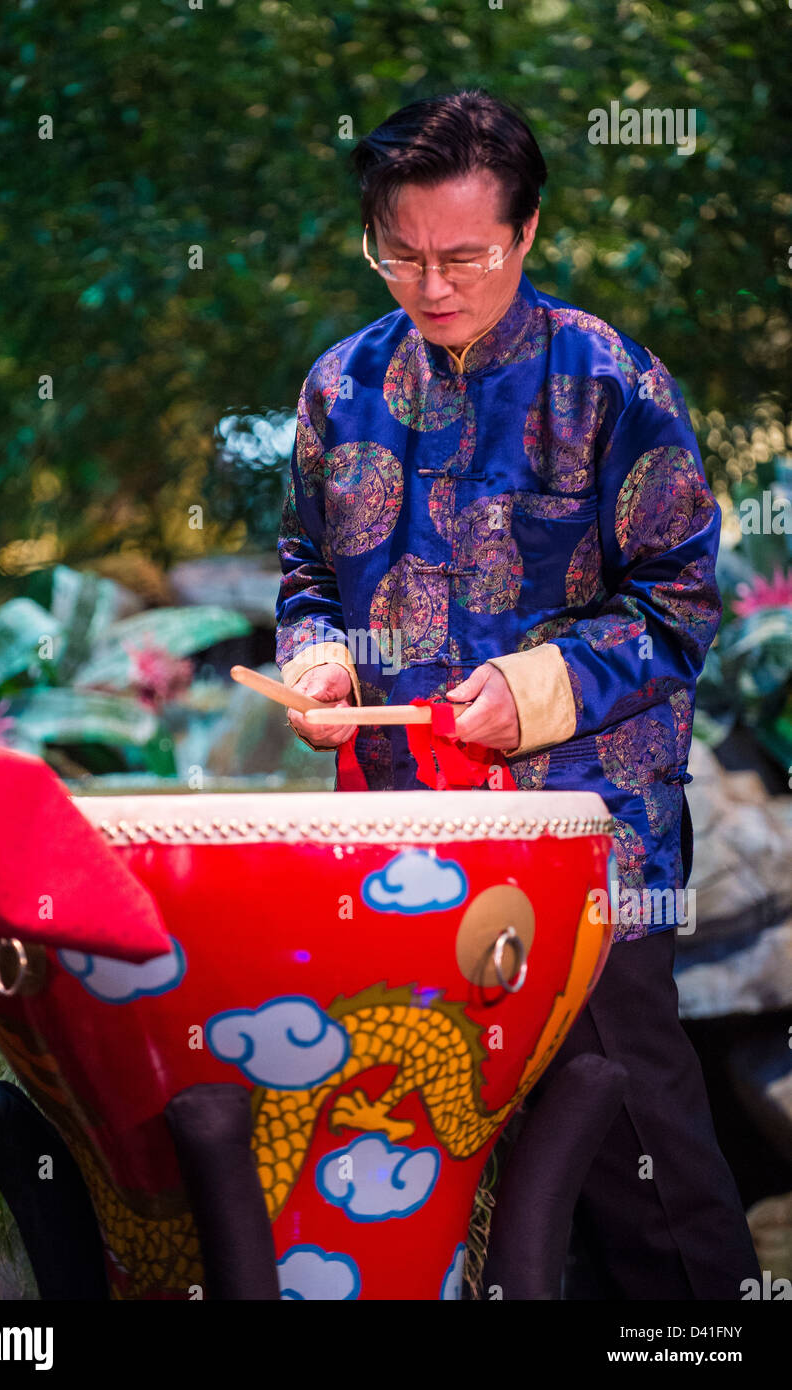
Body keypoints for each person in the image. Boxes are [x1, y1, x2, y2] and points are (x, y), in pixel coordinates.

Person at [273, 88, 760, 1299]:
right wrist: (317, 657)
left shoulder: (609, 383)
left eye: (466, 256)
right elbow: (304, 574)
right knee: (447, 1145)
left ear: (527, 233)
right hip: (400, 841)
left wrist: (534, 691)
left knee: (633, 1144)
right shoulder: (339, 391)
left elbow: (676, 607)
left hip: (582, 838)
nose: (432, 285)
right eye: (402, 255)